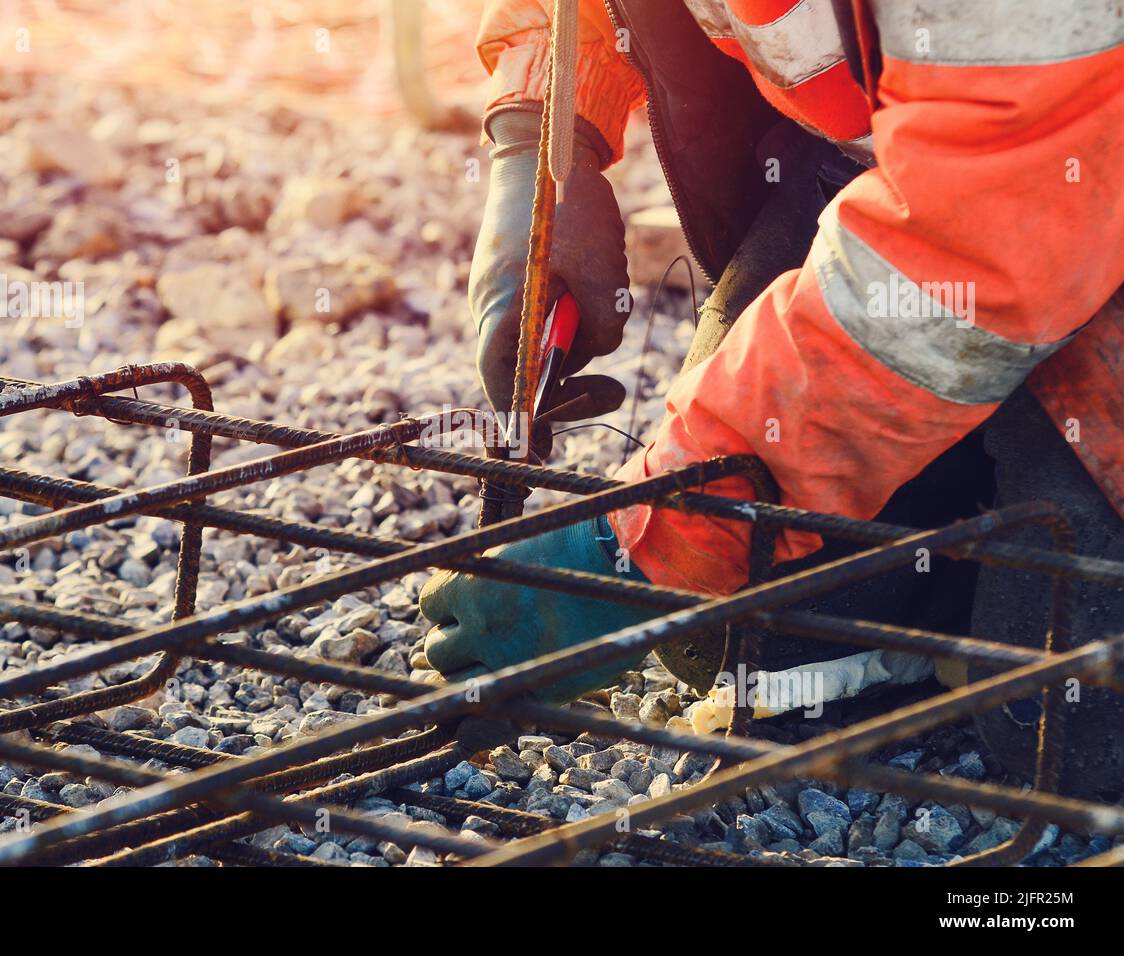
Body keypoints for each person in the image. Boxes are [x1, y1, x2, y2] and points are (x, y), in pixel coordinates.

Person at [419, 0, 1124, 796]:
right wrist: (546, 132)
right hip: (894, 164)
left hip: (1041, 195)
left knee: (1069, 735)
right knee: (732, 639)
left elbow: (982, 237)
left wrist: (642, 545)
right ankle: (963, 547)